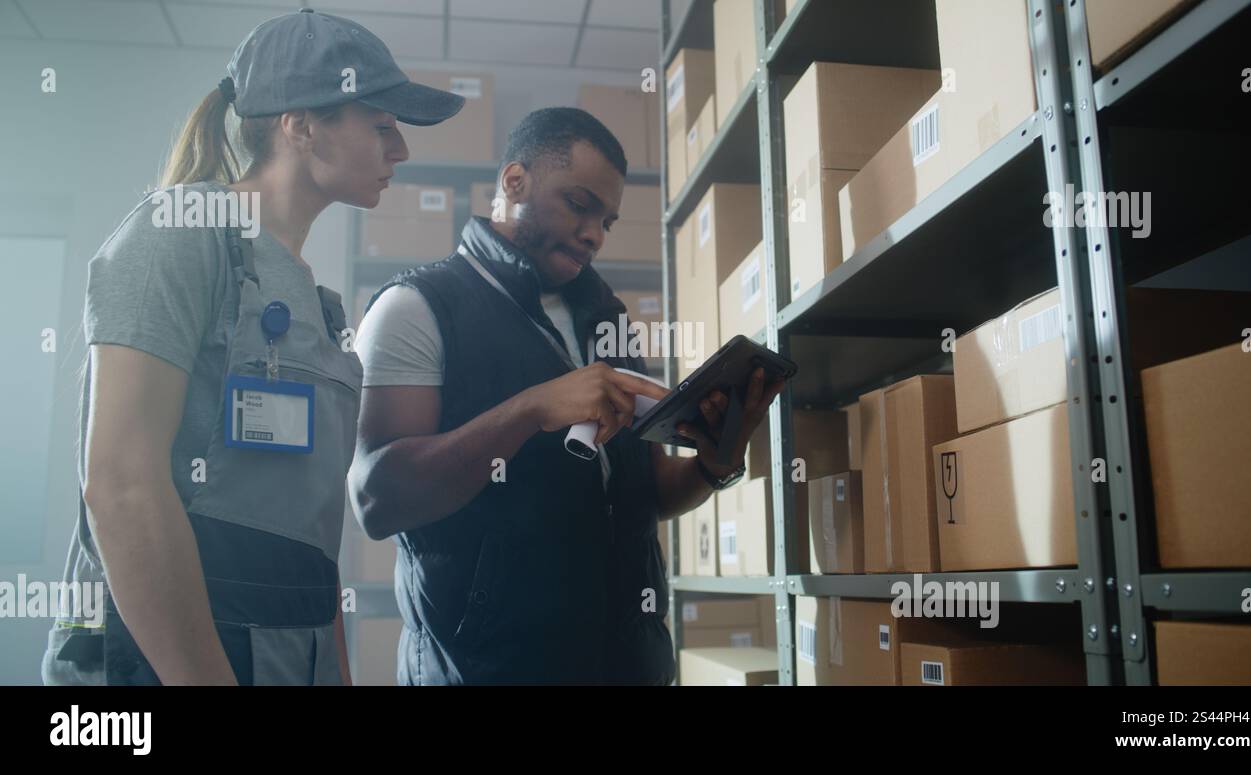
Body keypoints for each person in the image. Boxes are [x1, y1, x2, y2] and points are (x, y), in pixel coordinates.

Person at [41, 9, 464, 686]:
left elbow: (315, 552)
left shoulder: (317, 306)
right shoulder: (177, 235)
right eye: (381, 125)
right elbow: (121, 487)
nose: (401, 151)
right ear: (300, 124)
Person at [350, 107, 783, 685]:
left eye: (607, 220)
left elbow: (644, 494)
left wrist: (715, 461)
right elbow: (378, 500)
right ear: (514, 182)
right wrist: (531, 409)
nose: (595, 235)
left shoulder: (607, 319)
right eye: (580, 206)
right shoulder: (418, 307)